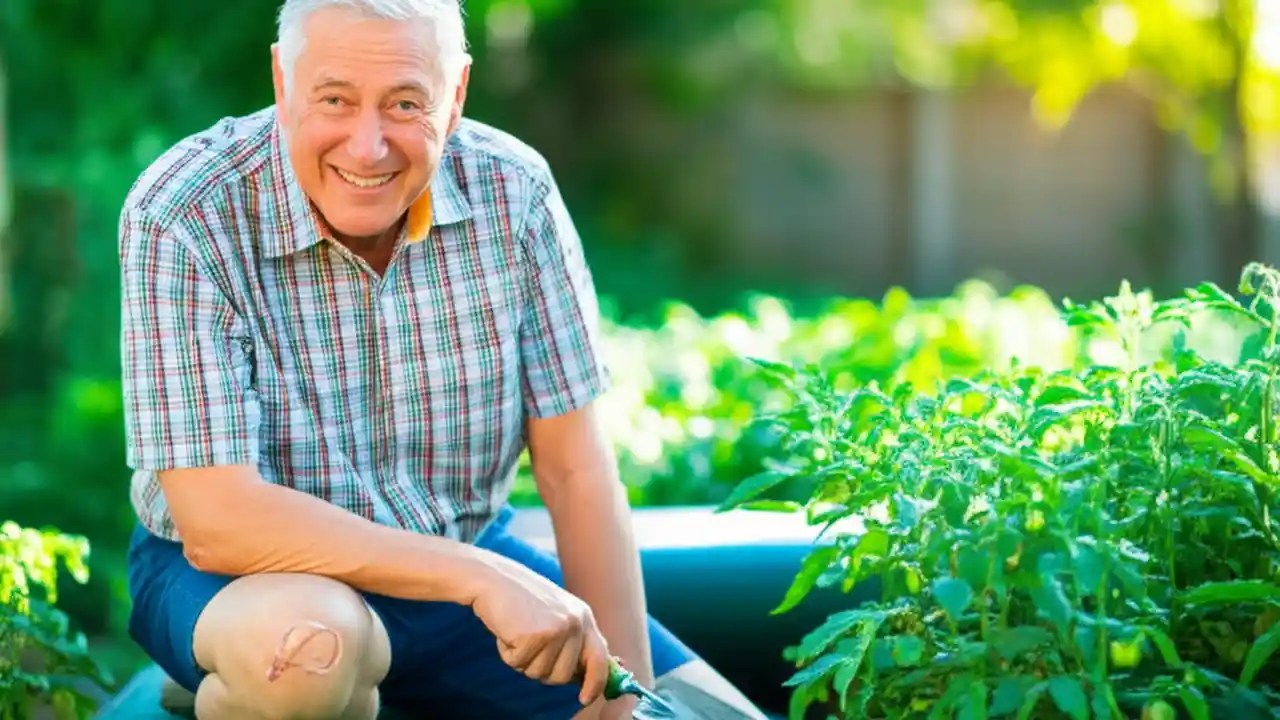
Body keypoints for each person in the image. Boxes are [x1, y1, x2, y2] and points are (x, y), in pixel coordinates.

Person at [118, 0, 768, 718]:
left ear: (454, 94)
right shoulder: (184, 211)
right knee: (307, 652)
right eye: (334, 100)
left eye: (404, 103)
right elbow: (220, 522)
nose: (368, 147)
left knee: (714, 714)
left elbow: (574, 466)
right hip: (246, 577)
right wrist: (478, 579)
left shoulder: (515, 193)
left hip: (458, 566)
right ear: (282, 77)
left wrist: (621, 702)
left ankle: (253, 677)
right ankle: (240, 668)